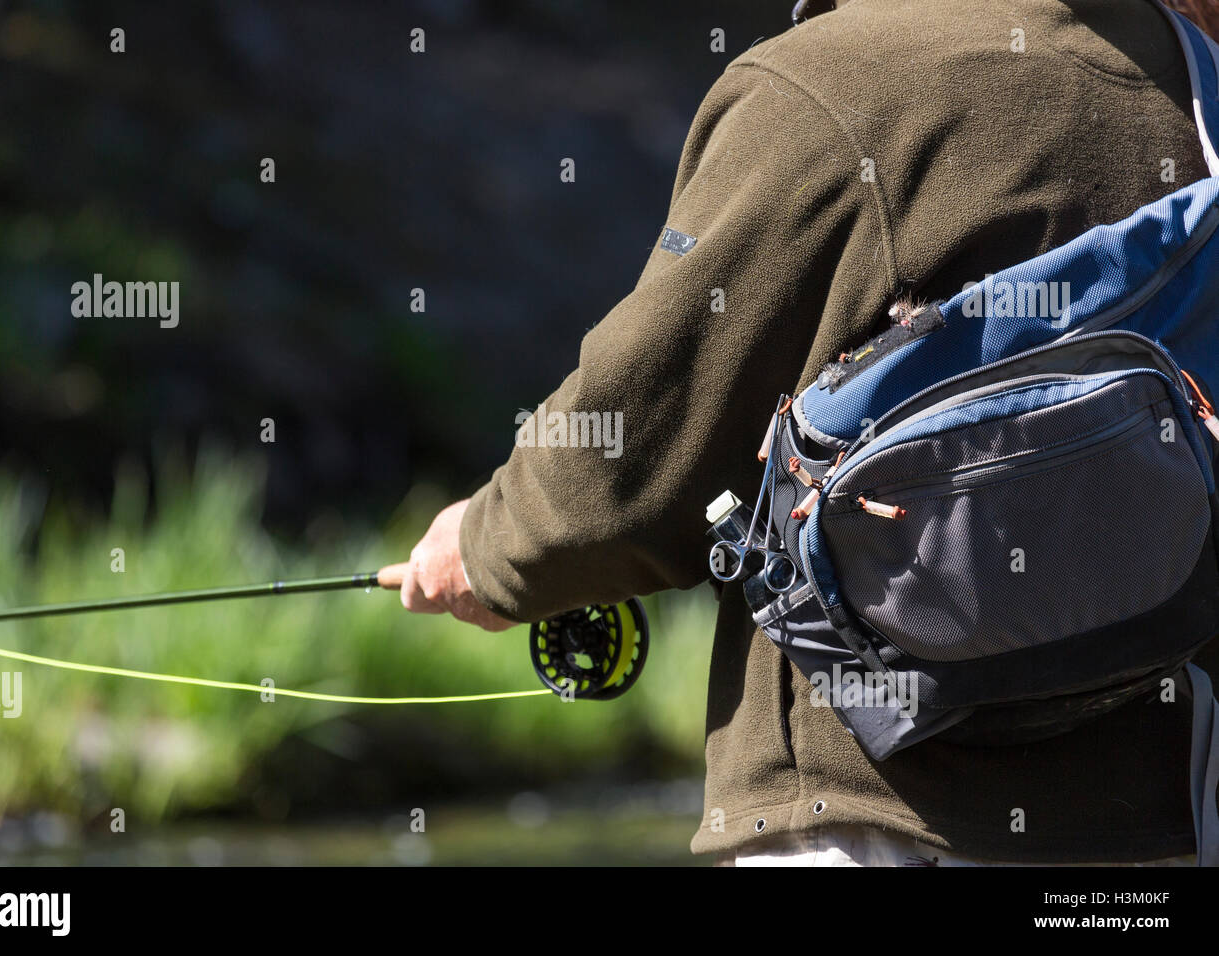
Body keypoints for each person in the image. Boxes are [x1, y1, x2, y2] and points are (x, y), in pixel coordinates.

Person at [397, 0, 1219, 865]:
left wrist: (485, 549)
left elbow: (635, 453)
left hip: (876, 819)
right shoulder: (1193, 84)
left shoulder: (825, 82)